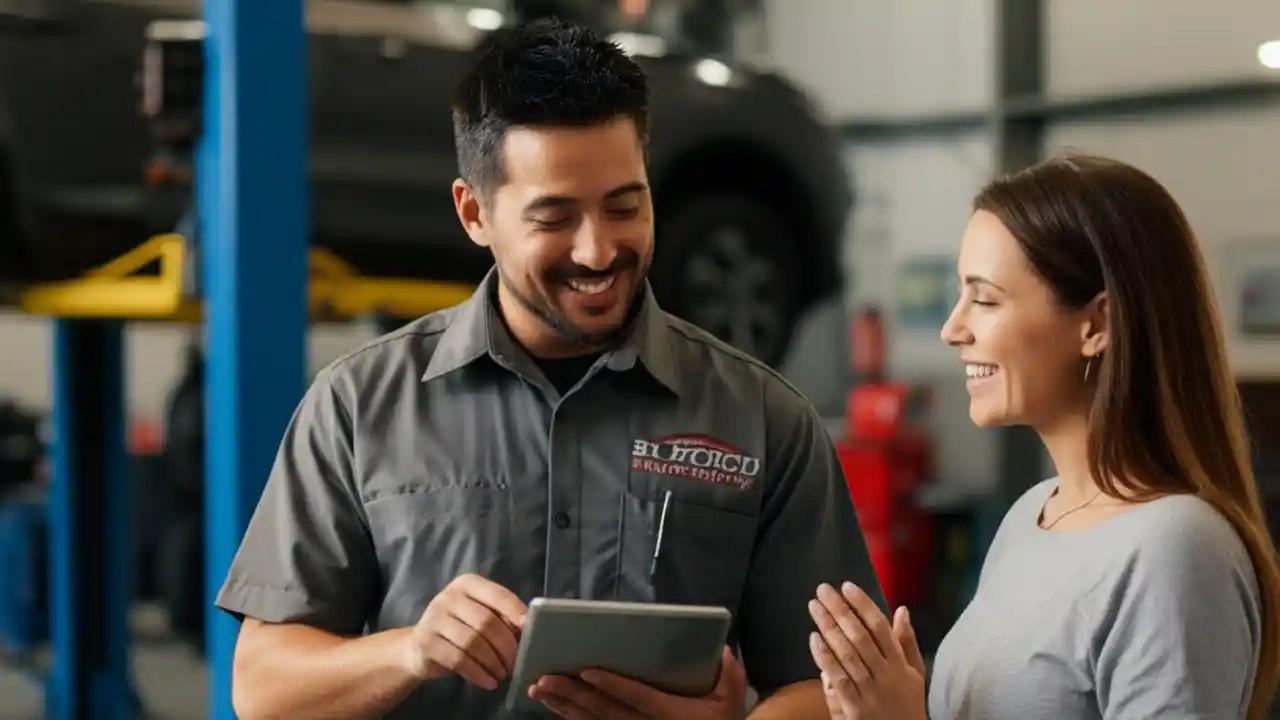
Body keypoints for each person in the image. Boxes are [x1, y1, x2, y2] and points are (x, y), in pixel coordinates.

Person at [215, 18, 882, 720]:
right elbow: (263, 689)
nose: (597, 251)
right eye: (554, 218)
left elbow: (831, 692)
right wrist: (409, 651)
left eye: (625, 207)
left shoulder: (764, 419)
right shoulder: (358, 407)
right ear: (474, 213)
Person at [806, 154, 1280, 719]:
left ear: (1097, 325)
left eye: (984, 298)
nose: (952, 328)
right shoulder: (1031, 517)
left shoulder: (1174, 548)